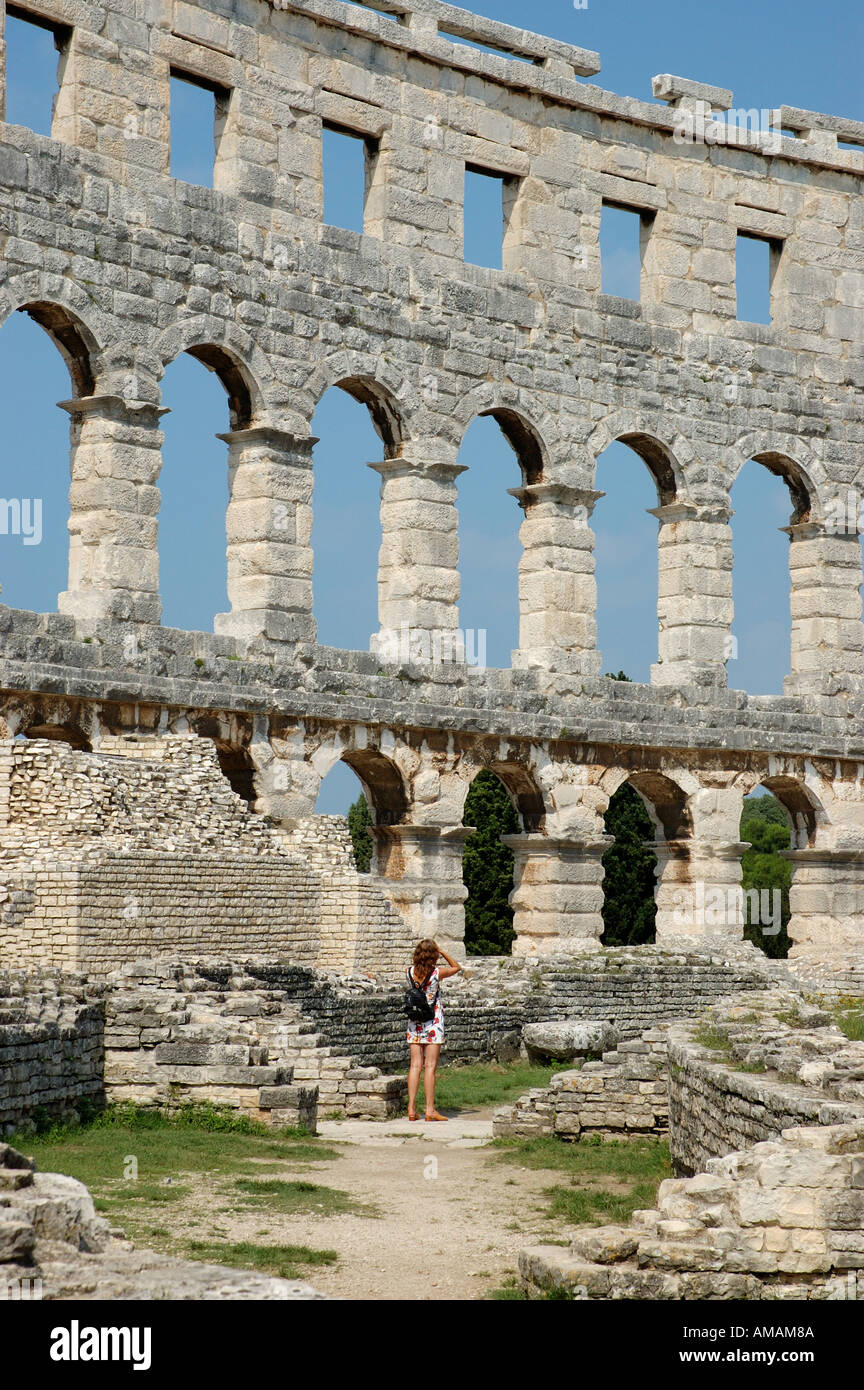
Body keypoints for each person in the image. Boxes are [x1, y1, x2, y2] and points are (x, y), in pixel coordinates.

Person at [405, 938, 461, 1122]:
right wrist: (443, 952)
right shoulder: (437, 973)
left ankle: (411, 1109)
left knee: (415, 1066)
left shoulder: (409, 972)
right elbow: (457, 967)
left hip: (415, 1022)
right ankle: (430, 1110)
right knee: (430, 1067)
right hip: (433, 1022)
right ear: (433, 955)